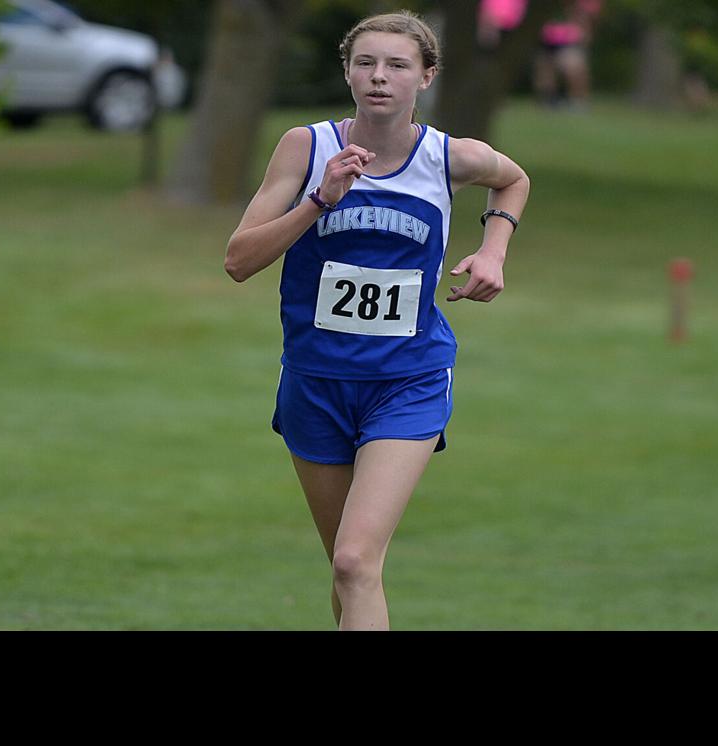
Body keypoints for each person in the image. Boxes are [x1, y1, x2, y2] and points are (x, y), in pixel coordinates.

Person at [223, 11, 531, 630]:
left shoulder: (449, 157)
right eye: (365, 63)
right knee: (348, 572)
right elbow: (238, 260)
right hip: (316, 379)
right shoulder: (306, 148)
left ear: (425, 77)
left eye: (397, 65)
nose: (379, 77)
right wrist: (319, 199)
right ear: (347, 72)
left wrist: (493, 249)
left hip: (407, 380)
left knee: (355, 562)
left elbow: (514, 179)